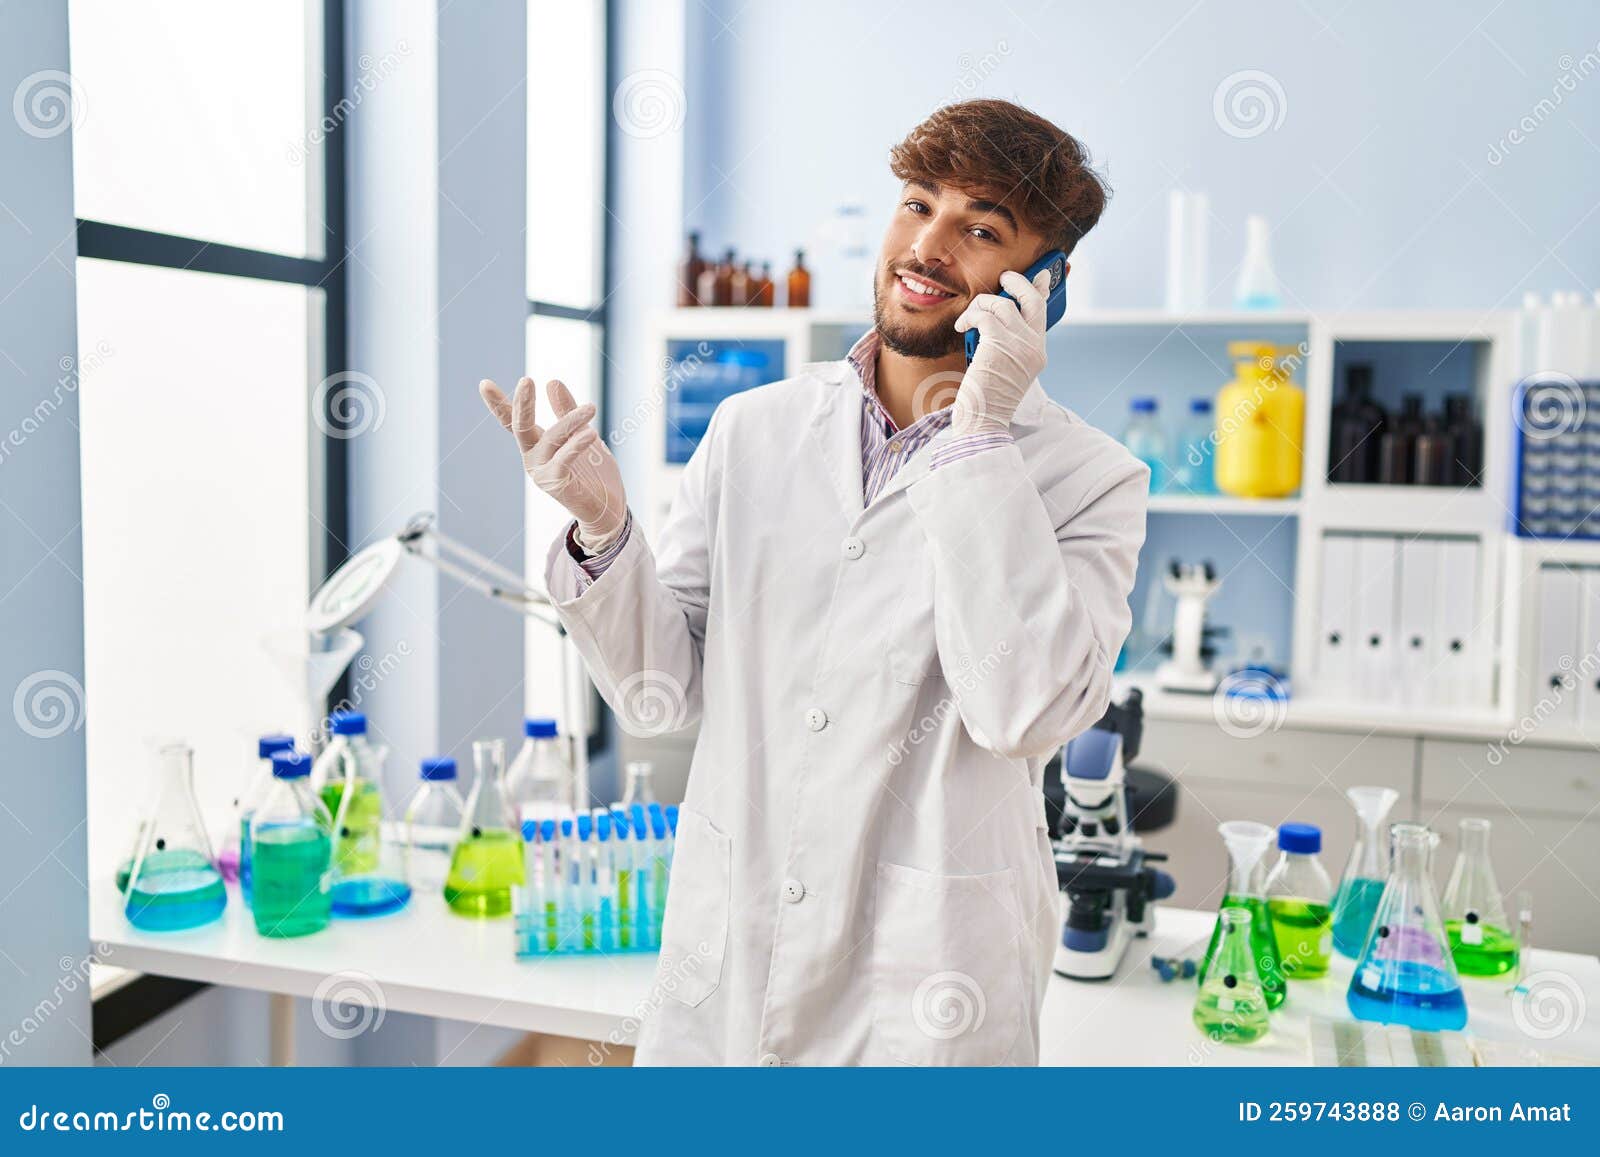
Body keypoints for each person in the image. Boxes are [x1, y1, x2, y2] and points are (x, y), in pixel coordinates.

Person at [480, 99, 1147, 1065]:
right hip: (732, 960)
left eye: (982, 229)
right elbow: (663, 696)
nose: (926, 246)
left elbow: (1023, 710)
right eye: (917, 205)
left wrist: (982, 440)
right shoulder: (753, 428)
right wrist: (601, 526)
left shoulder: (1090, 479)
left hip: (930, 994)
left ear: (1045, 282)